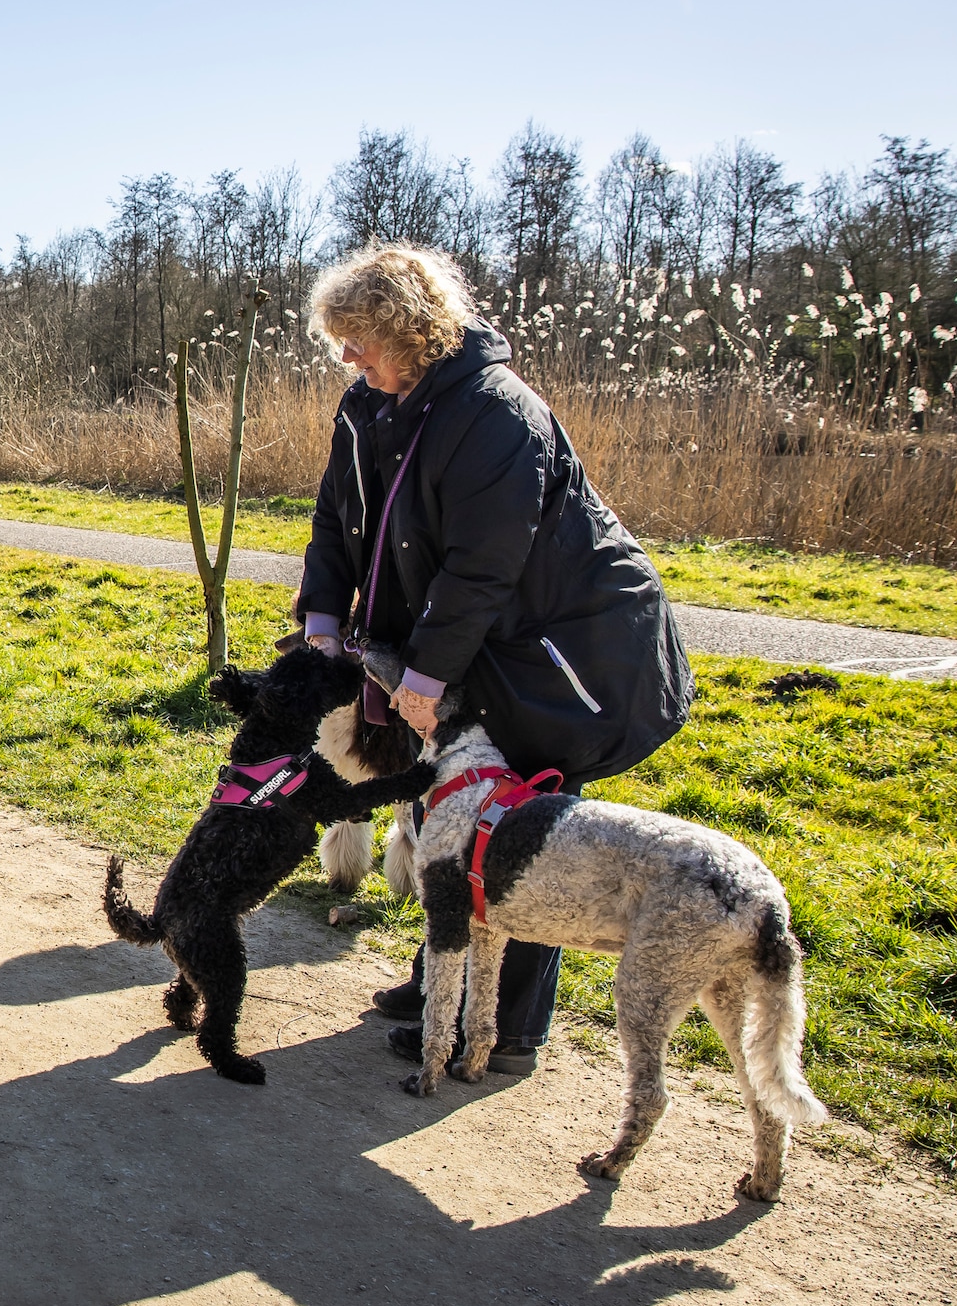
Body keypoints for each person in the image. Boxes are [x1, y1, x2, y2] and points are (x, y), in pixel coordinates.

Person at [294, 242, 691, 1075]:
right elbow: (339, 518)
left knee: (518, 830)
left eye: (358, 338)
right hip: (480, 639)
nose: (346, 356)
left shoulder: (497, 414)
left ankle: (505, 1029)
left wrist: (427, 679)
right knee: (454, 815)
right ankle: (440, 981)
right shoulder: (370, 404)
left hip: (560, 649)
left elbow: (484, 564)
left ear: (408, 329)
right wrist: (324, 622)